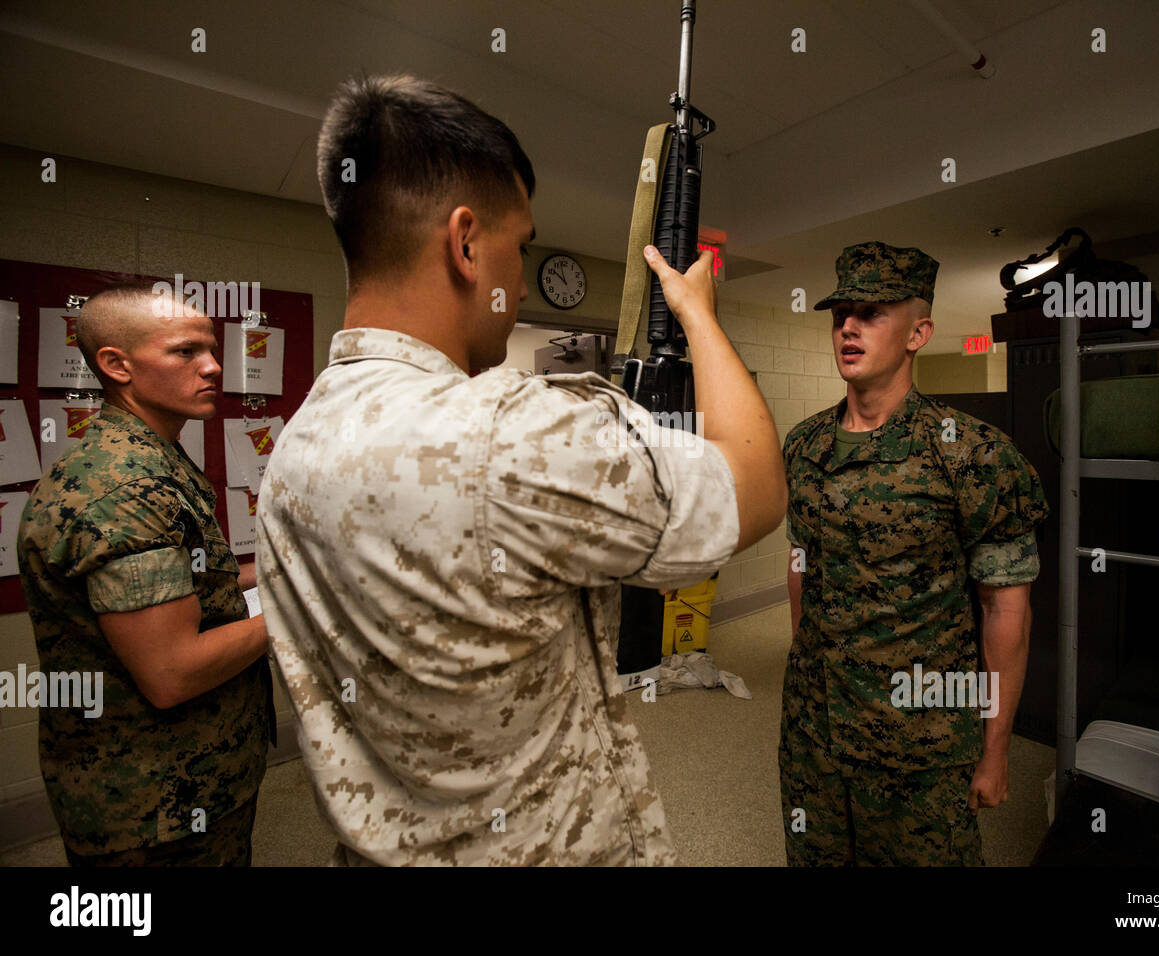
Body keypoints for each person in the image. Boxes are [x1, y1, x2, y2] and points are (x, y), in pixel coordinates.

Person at [254, 74, 785, 866]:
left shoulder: (295, 444)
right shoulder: (510, 433)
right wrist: (698, 315)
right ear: (466, 243)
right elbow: (754, 487)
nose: (526, 277)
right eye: (521, 246)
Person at [780, 241, 1049, 866]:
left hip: (921, 742)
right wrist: (804, 666)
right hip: (813, 737)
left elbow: (1005, 611)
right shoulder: (804, 445)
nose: (847, 326)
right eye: (840, 312)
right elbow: (799, 564)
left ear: (918, 333)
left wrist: (996, 748)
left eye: (871, 312)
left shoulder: (974, 455)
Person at [18, 283, 273, 866]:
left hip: (196, 780)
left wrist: (279, 572)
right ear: (116, 365)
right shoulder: (122, 487)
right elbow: (172, 671)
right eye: (185, 352)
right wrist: (305, 605)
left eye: (212, 348)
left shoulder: (151, 457)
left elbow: (187, 583)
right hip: (156, 808)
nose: (213, 366)